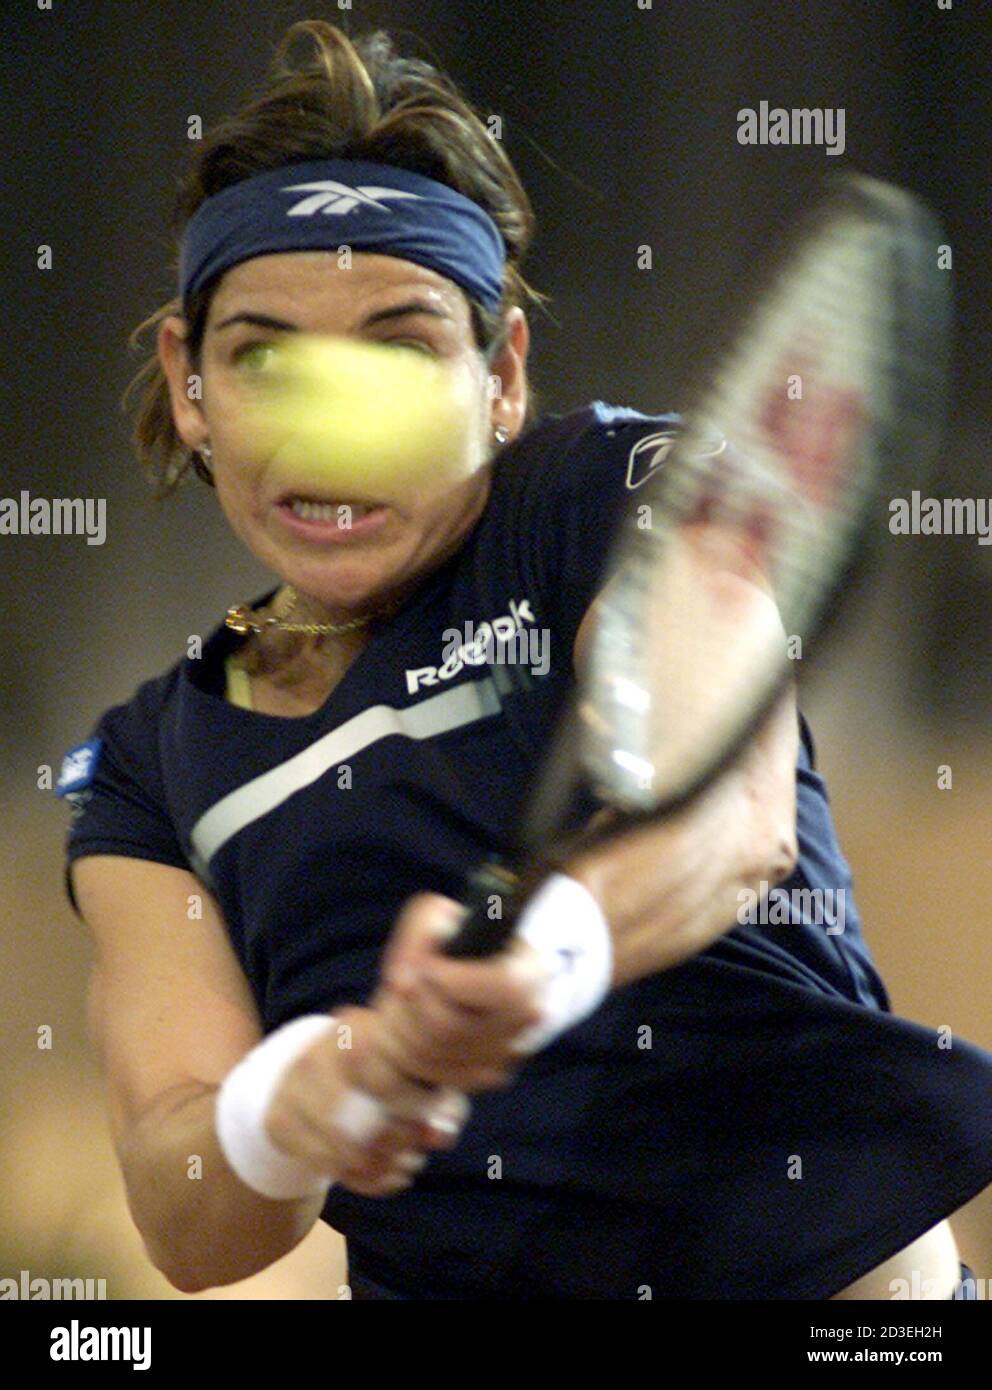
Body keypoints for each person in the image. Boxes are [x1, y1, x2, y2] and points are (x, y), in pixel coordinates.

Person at [56, 20, 991, 1300]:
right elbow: (190, 1219)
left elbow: (727, 823)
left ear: (499, 376)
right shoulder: (148, 768)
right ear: (189, 381)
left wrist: (543, 959)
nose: (330, 421)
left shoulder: (606, 497)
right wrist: (294, 1104)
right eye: (264, 352)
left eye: (399, 342)